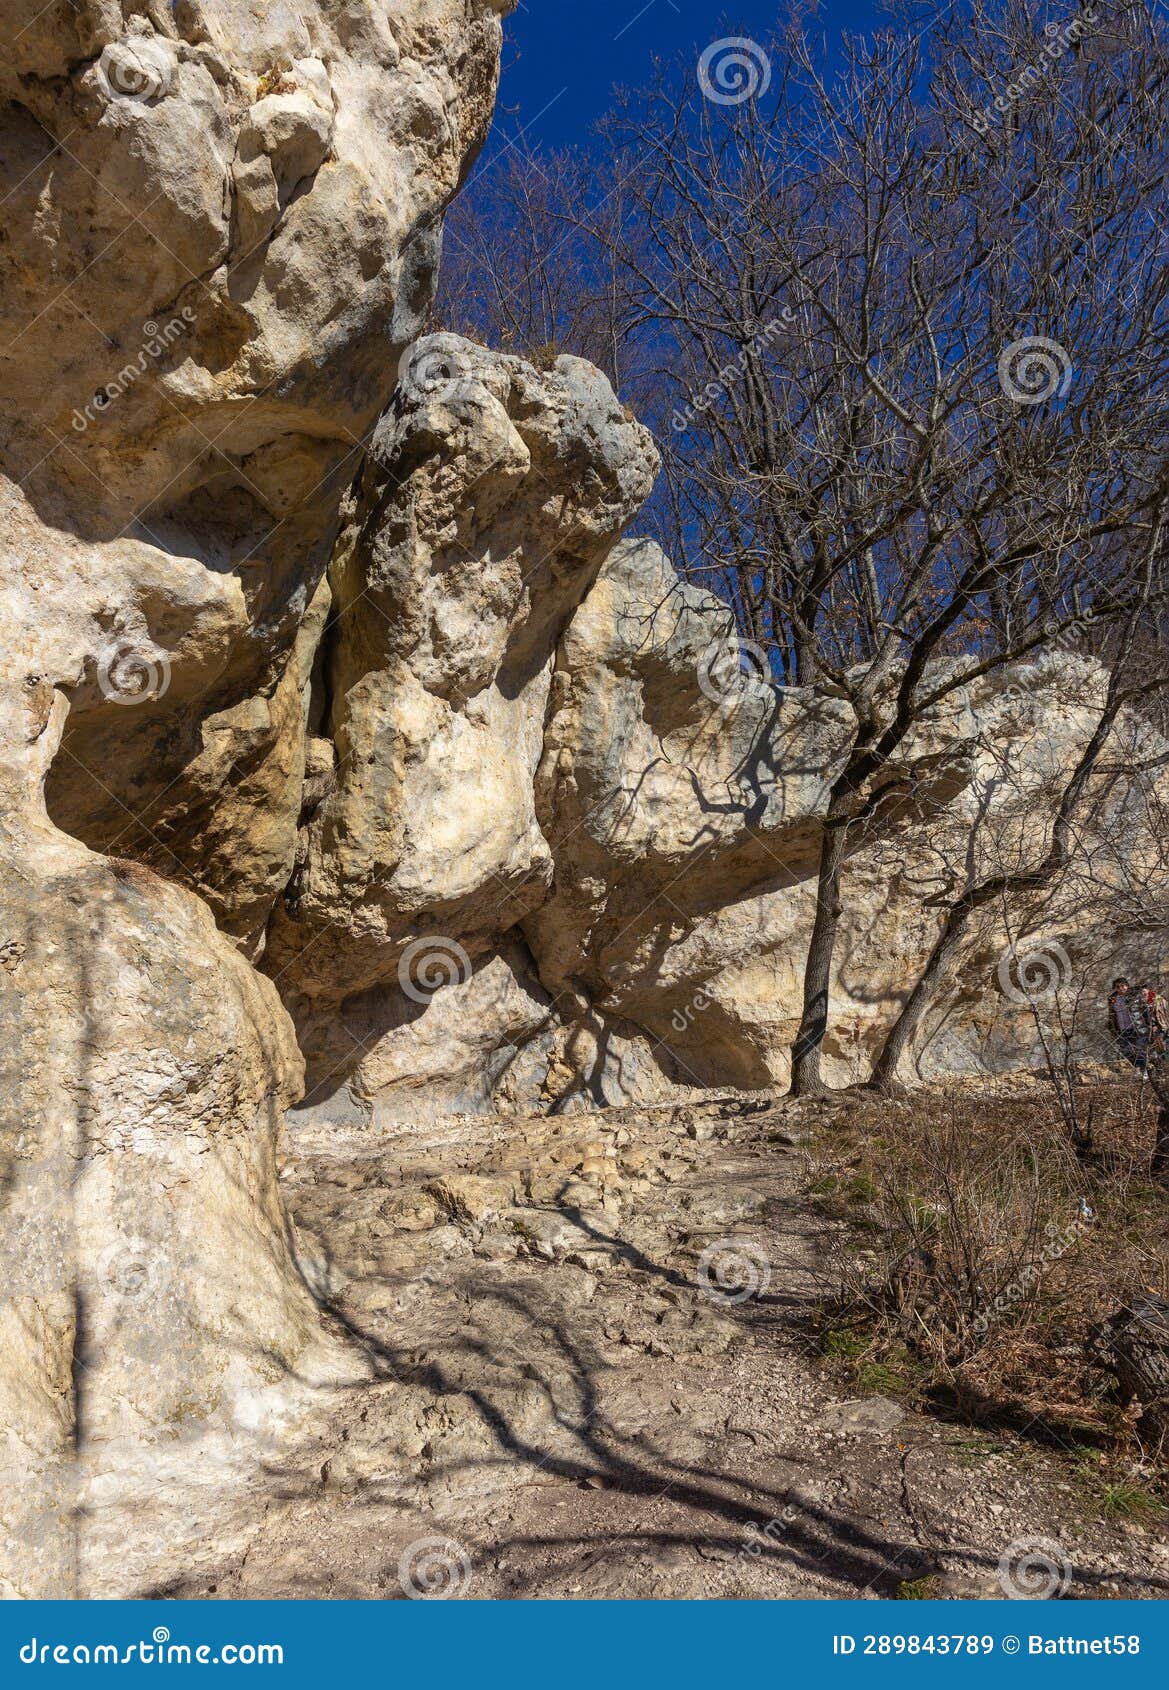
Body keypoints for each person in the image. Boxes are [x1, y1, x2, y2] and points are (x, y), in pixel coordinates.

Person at [1109, 978, 1147, 1073]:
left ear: (1127, 986)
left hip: (1137, 1027)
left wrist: (1151, 1024)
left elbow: (1145, 1011)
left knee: (1139, 1050)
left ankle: (1144, 1071)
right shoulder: (1112, 999)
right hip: (1122, 1029)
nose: (1120, 988)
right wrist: (1112, 1028)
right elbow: (1111, 1015)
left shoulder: (1135, 996)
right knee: (1126, 1051)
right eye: (1117, 987)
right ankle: (1137, 1069)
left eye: (1123, 986)